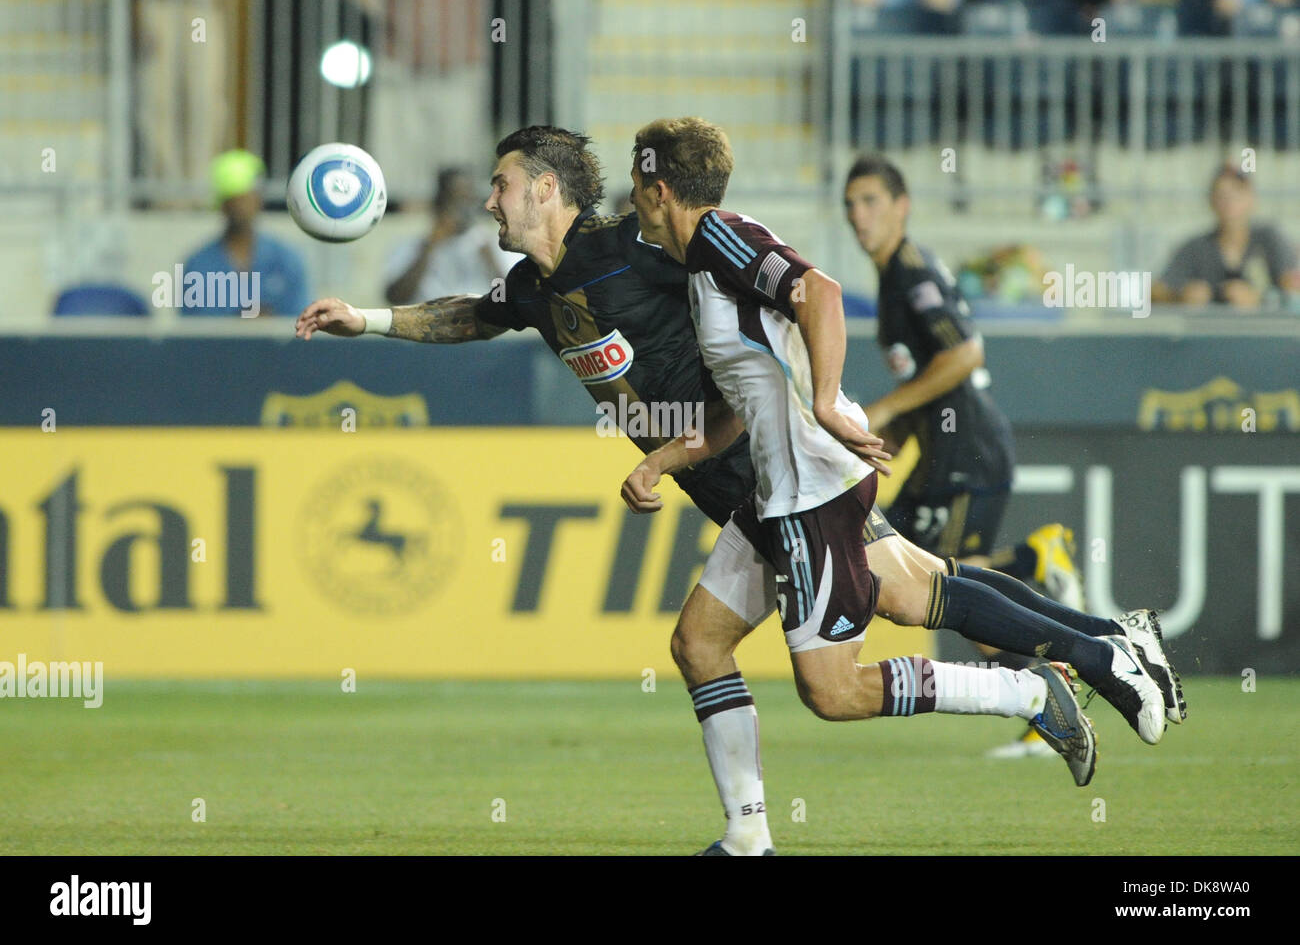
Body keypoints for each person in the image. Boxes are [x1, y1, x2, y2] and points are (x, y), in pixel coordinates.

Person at [296, 124, 1178, 854]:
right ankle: (1098, 646)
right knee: (774, 628)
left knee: (841, 674)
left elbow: (786, 312)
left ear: (546, 187)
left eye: (501, 182)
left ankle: (1048, 683)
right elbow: (470, 316)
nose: (488, 198)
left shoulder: (644, 252)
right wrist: (364, 321)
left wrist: (759, 422)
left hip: (775, 479)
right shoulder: (537, 286)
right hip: (752, 487)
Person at [620, 117, 1178, 854]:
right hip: (780, 485)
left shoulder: (719, 237)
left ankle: (1037, 687)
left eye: (636, 187)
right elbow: (737, 406)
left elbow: (818, 291)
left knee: (832, 689)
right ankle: (1108, 644)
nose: (632, 204)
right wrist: (663, 460)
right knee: (713, 639)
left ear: (660, 191)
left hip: (809, 489)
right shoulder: (707, 261)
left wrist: (824, 402)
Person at [844, 153, 1085, 757]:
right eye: (850, 204)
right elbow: (932, 379)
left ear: (901, 206)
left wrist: (886, 410)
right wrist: (882, 440)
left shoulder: (911, 272)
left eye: (871, 201)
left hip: (964, 453)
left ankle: (1041, 699)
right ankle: (1033, 563)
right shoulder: (896, 276)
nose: (858, 215)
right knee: (941, 580)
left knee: (933, 585)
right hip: (953, 452)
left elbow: (966, 353)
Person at [179, 150, 310, 318]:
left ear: (258, 200)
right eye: (234, 200)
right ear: (222, 205)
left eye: (246, 198)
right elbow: (194, 331)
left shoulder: (287, 260)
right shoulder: (198, 265)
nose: (240, 208)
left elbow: (301, 320)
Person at [1152, 164, 1300, 310]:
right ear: (1212, 201)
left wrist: (1260, 299)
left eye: (1237, 194)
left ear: (1252, 199)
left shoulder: (1270, 239)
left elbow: (1292, 288)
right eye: (1222, 195)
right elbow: (1157, 290)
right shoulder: (1196, 247)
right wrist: (1180, 296)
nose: (1229, 202)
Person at [383, 167, 517, 306]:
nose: (461, 208)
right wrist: (429, 247)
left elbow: (504, 299)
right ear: (438, 203)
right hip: (431, 323)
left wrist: (490, 261)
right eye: (453, 199)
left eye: (467, 199)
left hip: (479, 322)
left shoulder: (494, 245)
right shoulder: (414, 245)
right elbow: (394, 298)